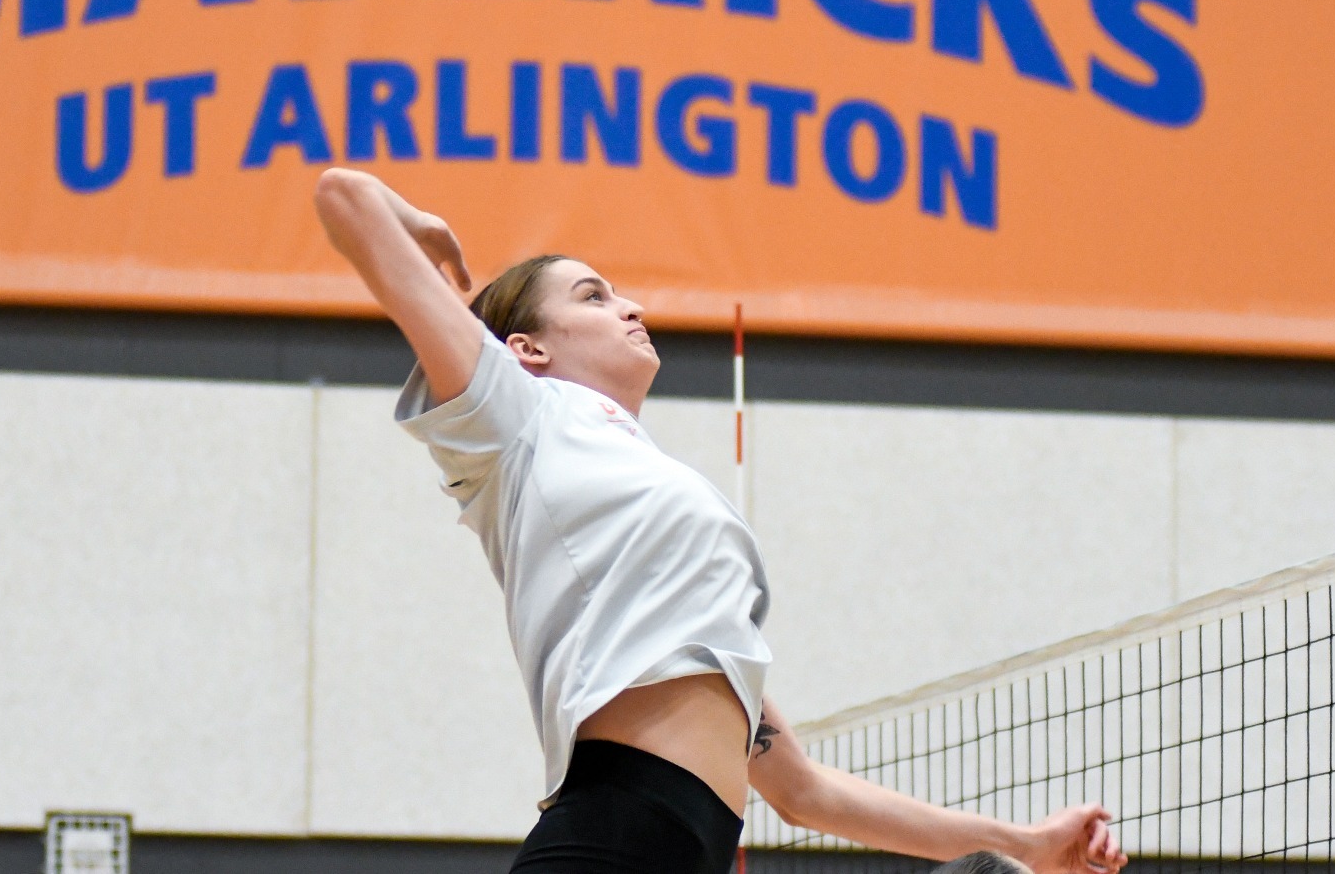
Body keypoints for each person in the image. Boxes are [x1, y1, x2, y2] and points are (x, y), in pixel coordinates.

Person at [314, 168, 1126, 874]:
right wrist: (421, 225)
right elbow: (344, 197)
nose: (631, 306)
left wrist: (1026, 843)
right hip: (614, 828)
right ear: (526, 349)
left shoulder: (658, 523)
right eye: (593, 296)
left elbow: (805, 792)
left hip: (684, 846)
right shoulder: (517, 418)